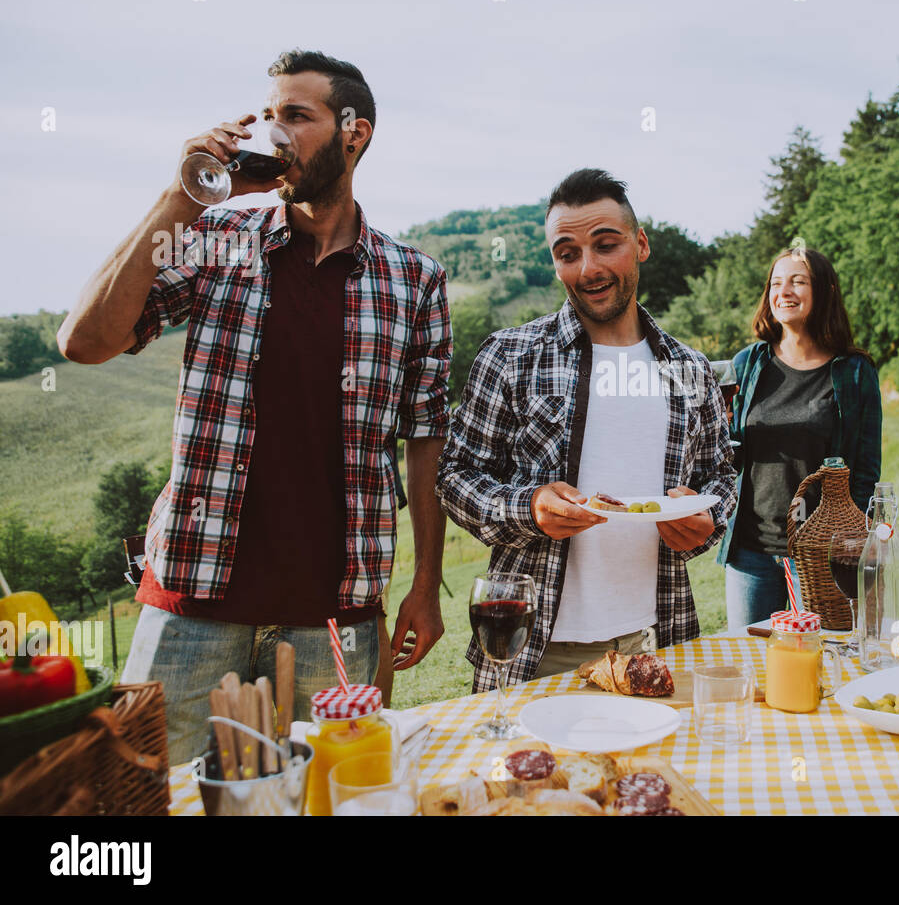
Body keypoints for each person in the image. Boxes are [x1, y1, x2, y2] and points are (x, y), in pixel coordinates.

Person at [57, 50, 452, 762]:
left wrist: (425, 585)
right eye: (269, 116)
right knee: (154, 799)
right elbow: (83, 341)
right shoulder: (214, 238)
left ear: (354, 132)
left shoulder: (415, 278)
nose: (276, 134)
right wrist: (184, 194)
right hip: (192, 603)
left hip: (337, 615)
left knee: (328, 798)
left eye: (297, 116)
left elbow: (425, 437)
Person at [437, 168, 737, 691]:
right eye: (567, 252)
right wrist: (527, 507)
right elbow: (455, 477)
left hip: (654, 638)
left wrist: (705, 518)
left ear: (640, 244)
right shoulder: (511, 355)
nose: (589, 268)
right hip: (533, 648)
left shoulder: (688, 369)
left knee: (653, 773)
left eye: (605, 245)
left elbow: (722, 476)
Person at [716, 247, 882, 630]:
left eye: (798, 281)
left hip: (821, 554)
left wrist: (850, 547)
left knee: (824, 659)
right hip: (751, 553)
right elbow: (731, 458)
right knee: (754, 664)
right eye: (776, 282)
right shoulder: (748, 364)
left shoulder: (855, 372)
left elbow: (866, 469)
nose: (784, 291)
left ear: (823, 290)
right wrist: (723, 432)